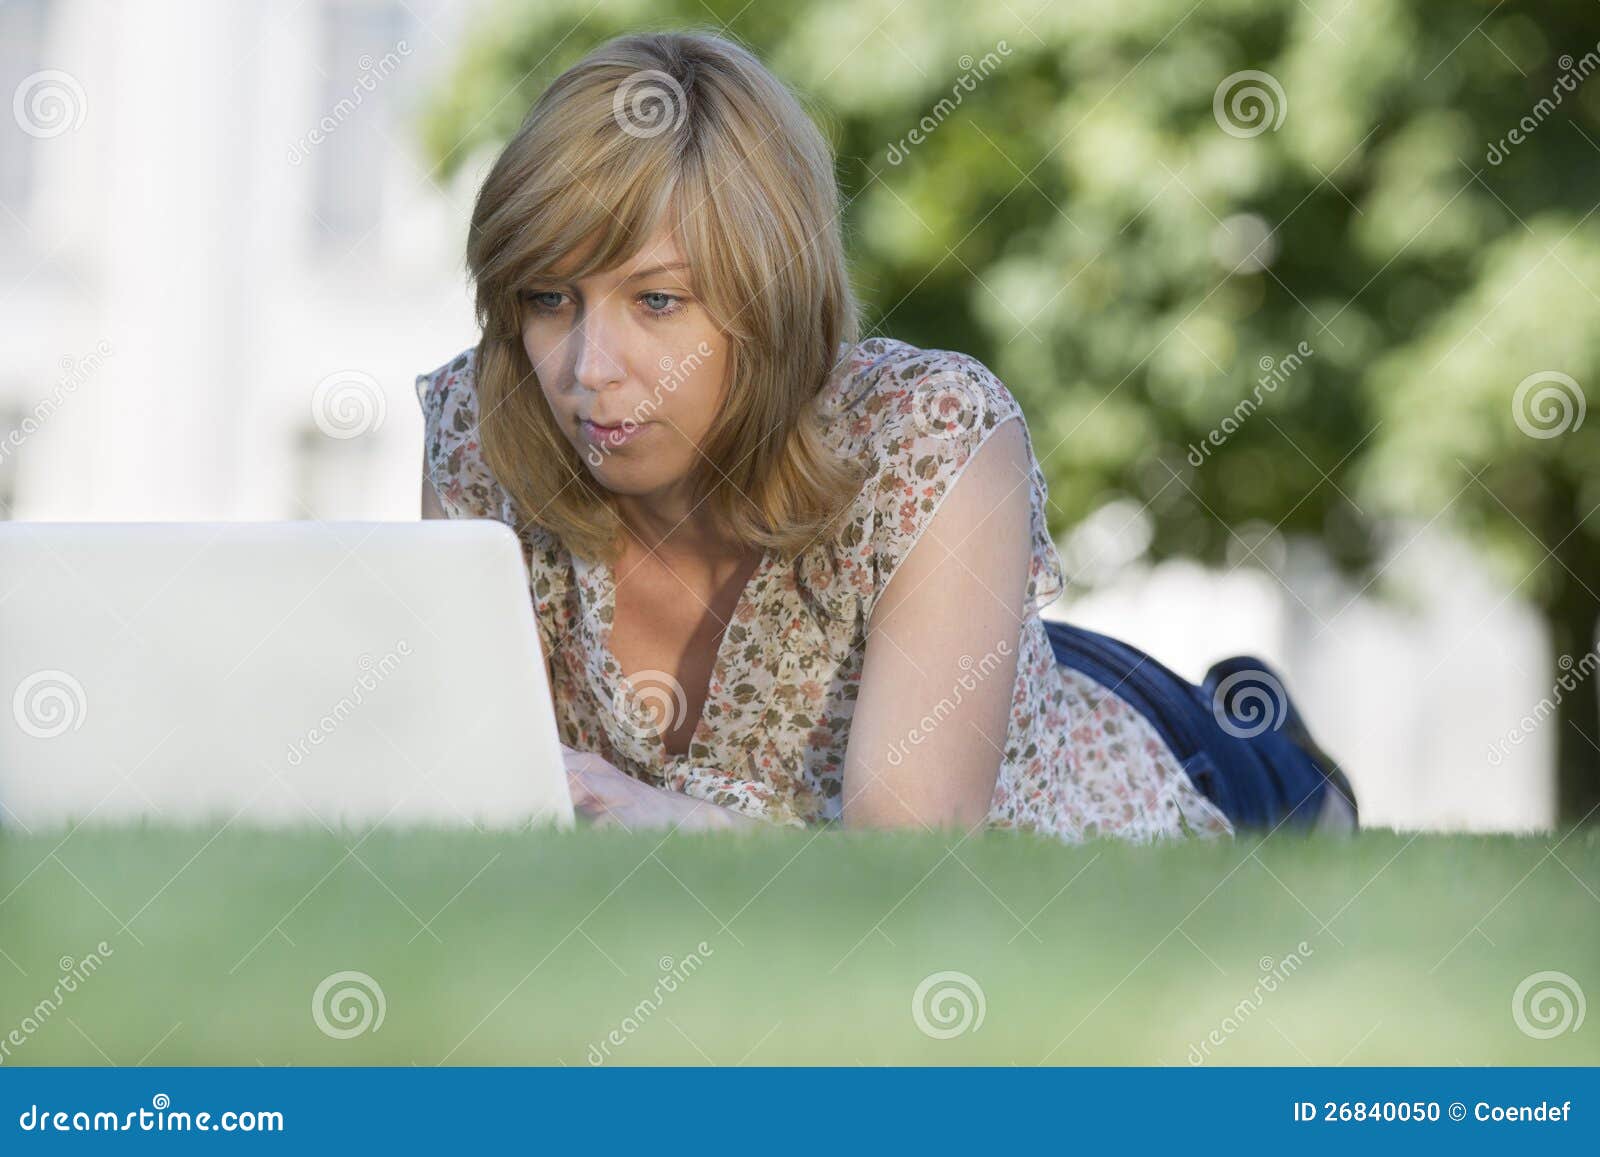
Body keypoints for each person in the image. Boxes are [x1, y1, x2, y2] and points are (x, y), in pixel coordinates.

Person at [416, 29, 1358, 842]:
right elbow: (455, 788)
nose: (588, 368)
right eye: (550, 300)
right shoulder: (482, 427)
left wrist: (678, 826)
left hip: (1128, 750)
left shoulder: (932, 431)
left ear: (777, 299)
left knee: (1280, 787)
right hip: (966, 658)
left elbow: (908, 875)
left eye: (658, 300)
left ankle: (1288, 761)